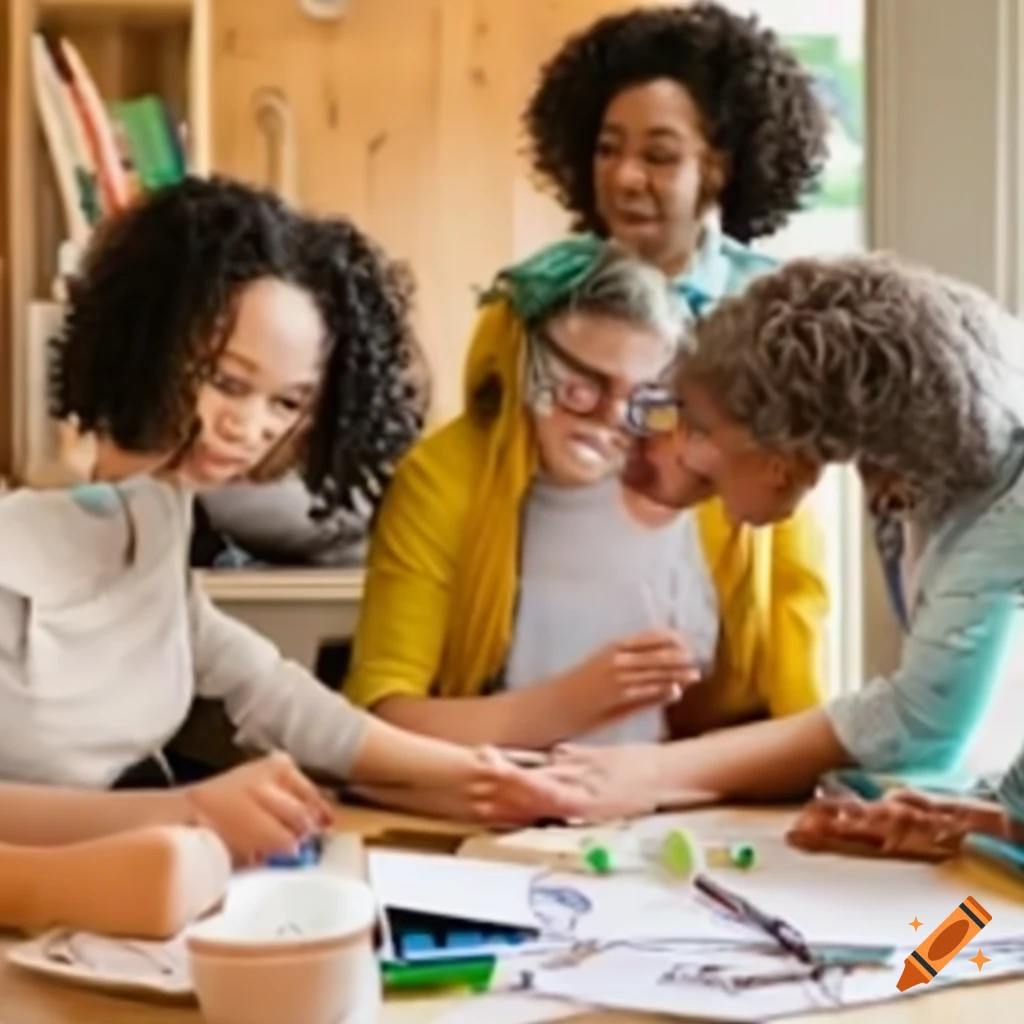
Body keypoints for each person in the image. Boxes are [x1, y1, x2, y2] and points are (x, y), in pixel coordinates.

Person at [0, 176, 576, 864]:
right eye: (229, 383)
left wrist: (473, 772)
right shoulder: (20, 548)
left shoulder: (157, 511)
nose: (250, 429)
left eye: (286, 403)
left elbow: (267, 688)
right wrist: (188, 811)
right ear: (149, 339)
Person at [545, 252, 1024, 822]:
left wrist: (656, 772)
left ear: (781, 448)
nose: (687, 450)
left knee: (950, 898)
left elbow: (920, 723)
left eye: (700, 428)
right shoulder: (933, 452)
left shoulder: (999, 504)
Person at [344, 238, 829, 785]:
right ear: (524, 365)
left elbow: (795, 717)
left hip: (676, 806)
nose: (611, 421)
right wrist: (572, 702)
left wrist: (654, 776)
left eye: (643, 399)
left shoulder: (722, 486)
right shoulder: (444, 481)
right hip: (484, 798)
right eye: (581, 388)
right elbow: (377, 721)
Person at [523, 1, 827, 305]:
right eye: (607, 150)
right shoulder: (534, 298)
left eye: (658, 156)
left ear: (722, 169)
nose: (624, 178)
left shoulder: (773, 306)